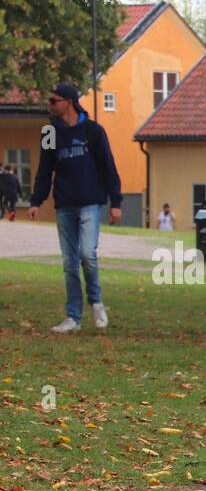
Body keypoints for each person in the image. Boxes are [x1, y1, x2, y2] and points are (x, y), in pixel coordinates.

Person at [28, 83, 122, 333]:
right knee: (70, 263)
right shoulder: (50, 132)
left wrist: (116, 202)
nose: (50, 104)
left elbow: (108, 167)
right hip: (65, 205)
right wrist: (36, 200)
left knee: (87, 255)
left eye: (53, 100)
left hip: (90, 203)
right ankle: (73, 317)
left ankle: (97, 302)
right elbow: (45, 169)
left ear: (67, 102)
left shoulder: (93, 131)